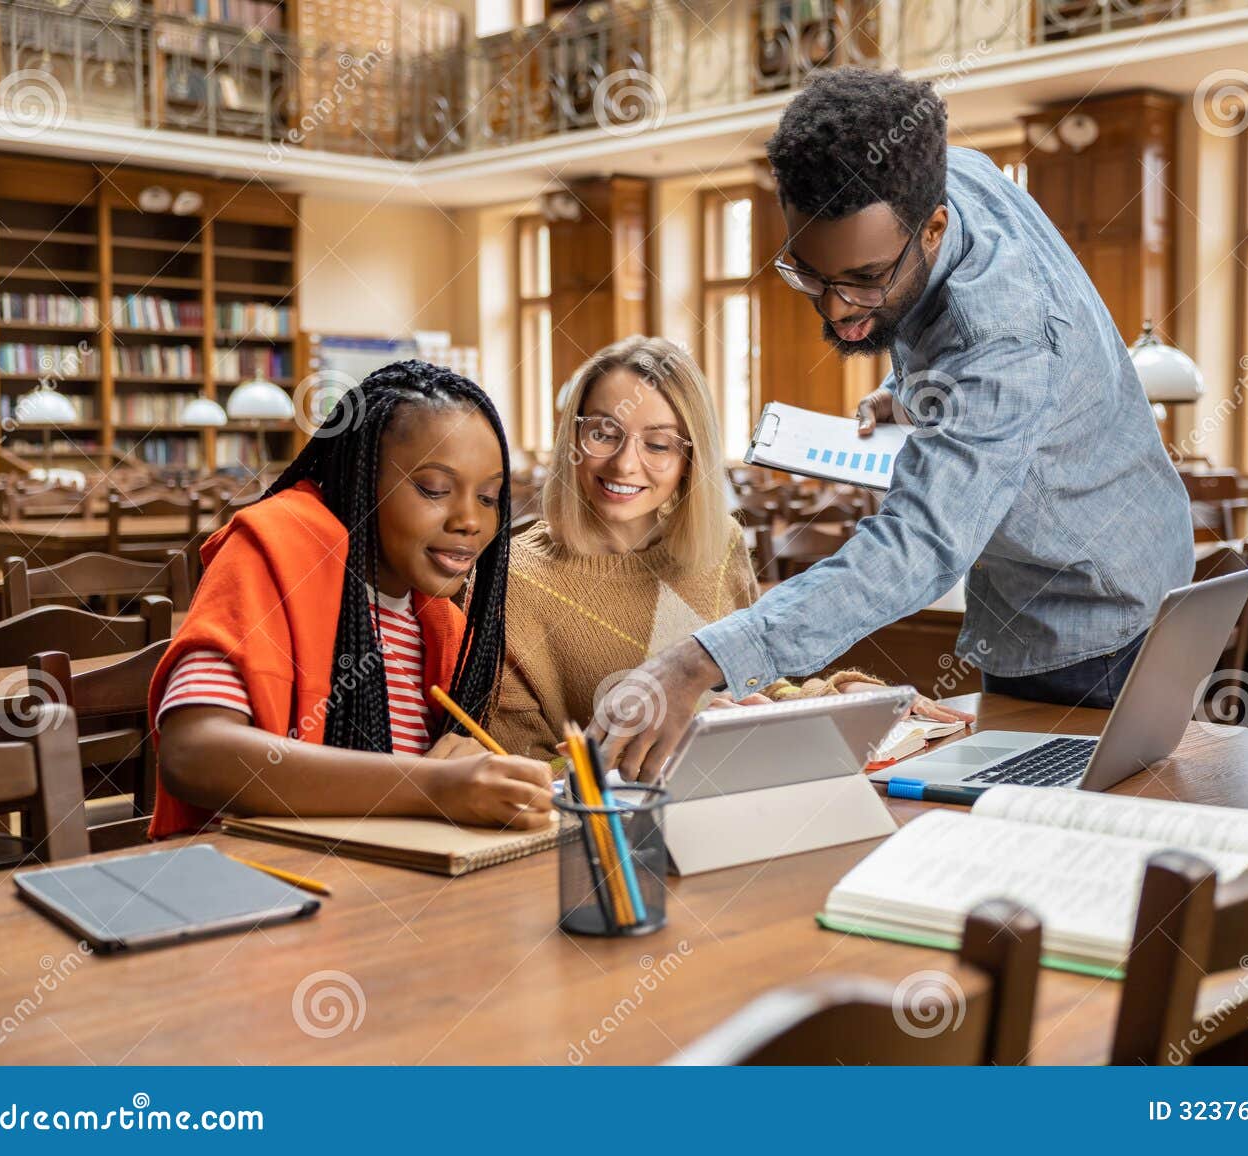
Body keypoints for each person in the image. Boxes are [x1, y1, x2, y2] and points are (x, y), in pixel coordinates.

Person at [593, 68, 1191, 780]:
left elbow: (920, 546)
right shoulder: (947, 174)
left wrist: (701, 660)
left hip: (1094, 629)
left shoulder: (1003, 341)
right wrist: (913, 387)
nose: (838, 309)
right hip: (1069, 588)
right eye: (813, 274)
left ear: (933, 227)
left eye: (867, 279)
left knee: (1051, 844)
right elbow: (944, 341)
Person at [488, 335, 967, 762]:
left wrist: (840, 695)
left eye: (657, 445)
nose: (624, 464)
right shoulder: (514, 580)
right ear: (572, 436)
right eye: (602, 433)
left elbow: (754, 688)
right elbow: (515, 767)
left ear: (688, 459)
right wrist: (669, 739)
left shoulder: (721, 547)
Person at [148, 360, 553, 837]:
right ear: (363, 477)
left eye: (489, 498)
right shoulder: (277, 548)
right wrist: (432, 786)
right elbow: (192, 752)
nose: (469, 519)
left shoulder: (441, 621)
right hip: (258, 883)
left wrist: (459, 771)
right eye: (435, 489)